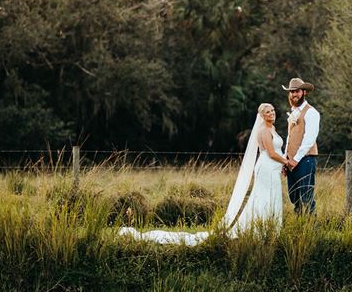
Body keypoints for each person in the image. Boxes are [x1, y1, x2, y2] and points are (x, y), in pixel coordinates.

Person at [118, 102, 288, 243]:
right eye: (268, 111)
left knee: (271, 197)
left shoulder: (272, 128)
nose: (271, 113)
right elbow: (271, 153)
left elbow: (276, 152)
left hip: (273, 168)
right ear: (262, 115)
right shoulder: (263, 130)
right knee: (263, 197)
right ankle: (260, 229)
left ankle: (270, 228)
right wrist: (287, 162)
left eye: (272, 110)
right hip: (267, 167)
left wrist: (281, 163)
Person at [282, 77, 320, 215]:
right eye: (291, 92)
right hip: (291, 161)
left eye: (297, 91)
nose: (294, 94)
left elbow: (309, 139)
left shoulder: (311, 112)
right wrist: (285, 159)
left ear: (304, 92)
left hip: (305, 160)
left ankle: (311, 226)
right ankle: (299, 225)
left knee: (306, 196)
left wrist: (296, 159)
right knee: (294, 197)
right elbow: (289, 138)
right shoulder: (294, 112)